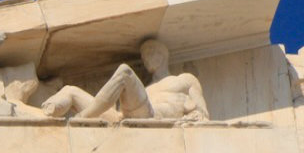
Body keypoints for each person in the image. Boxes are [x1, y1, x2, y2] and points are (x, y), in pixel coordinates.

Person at [40, 38, 209, 122]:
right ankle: (41, 116)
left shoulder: (184, 79)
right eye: (144, 56)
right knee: (70, 90)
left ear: (163, 54)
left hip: (150, 116)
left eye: (151, 53)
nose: (147, 59)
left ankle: (82, 118)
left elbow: (203, 115)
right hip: (124, 118)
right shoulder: (147, 88)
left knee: (125, 73)